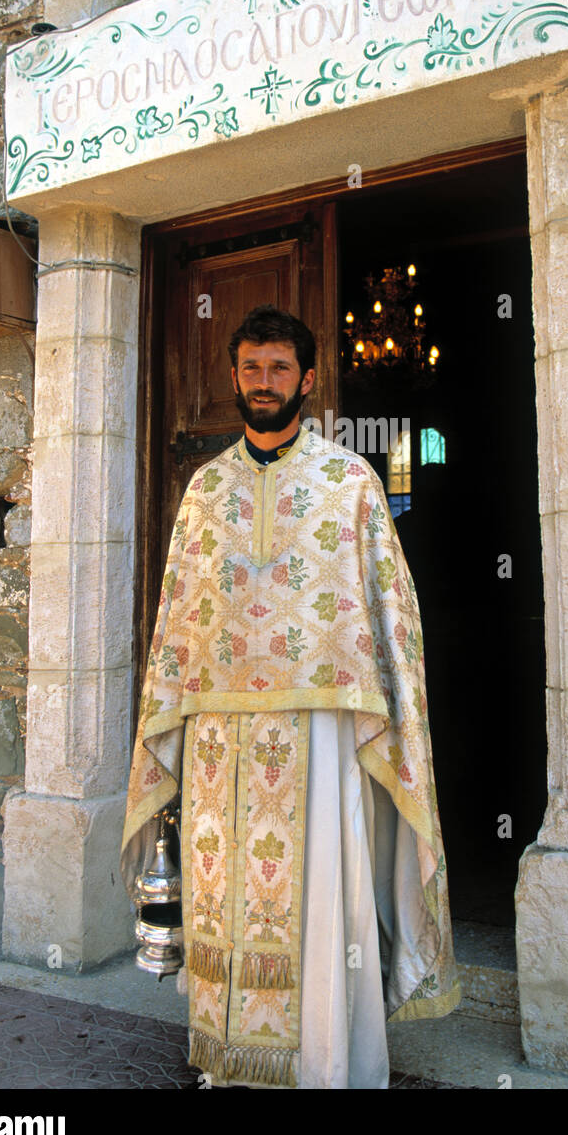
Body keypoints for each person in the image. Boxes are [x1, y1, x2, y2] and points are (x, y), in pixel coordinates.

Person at [121, 305, 459, 1089]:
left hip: (321, 731)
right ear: (232, 377)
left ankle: (328, 1062)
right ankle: (228, 1064)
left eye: (278, 368)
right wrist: (171, 705)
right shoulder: (204, 490)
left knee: (317, 901)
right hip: (215, 737)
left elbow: (391, 612)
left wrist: (383, 710)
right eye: (250, 368)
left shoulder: (350, 483)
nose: (262, 382)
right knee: (222, 897)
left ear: (307, 379)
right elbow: (177, 614)